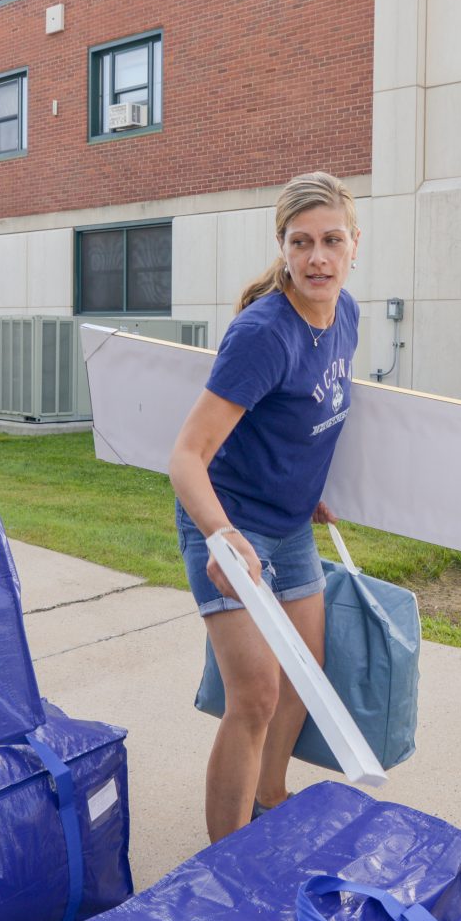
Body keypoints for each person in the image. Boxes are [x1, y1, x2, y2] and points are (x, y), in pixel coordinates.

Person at [169, 171, 362, 844]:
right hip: (227, 525)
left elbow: (305, 415)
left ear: (353, 246)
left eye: (331, 240)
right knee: (254, 695)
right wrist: (223, 536)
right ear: (282, 247)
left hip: (287, 526)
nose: (317, 256)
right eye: (300, 241)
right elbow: (186, 456)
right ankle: (224, 860)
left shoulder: (348, 316)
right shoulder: (263, 334)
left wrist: (305, 488)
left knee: (300, 683)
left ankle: (269, 803)